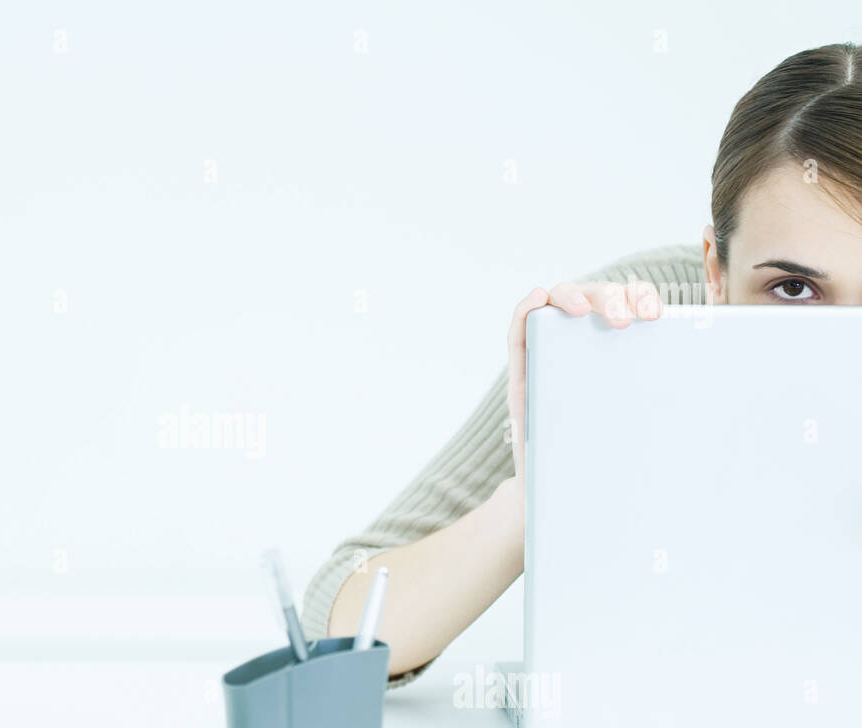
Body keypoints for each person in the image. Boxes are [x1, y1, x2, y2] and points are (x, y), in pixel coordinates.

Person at [303, 42, 862, 687]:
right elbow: (340, 637)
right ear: (717, 273)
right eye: (793, 289)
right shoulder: (636, 318)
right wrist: (540, 489)